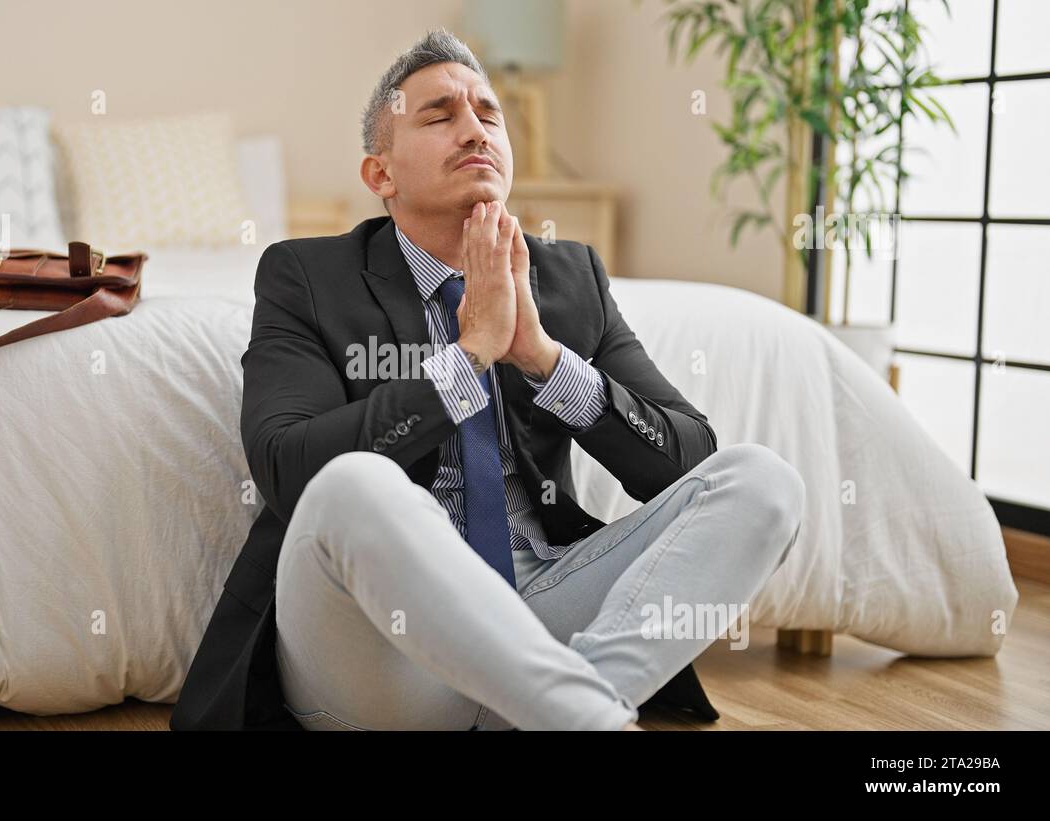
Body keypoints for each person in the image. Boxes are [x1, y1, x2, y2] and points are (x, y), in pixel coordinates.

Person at [170, 28, 805, 731]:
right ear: (381, 175)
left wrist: (544, 358)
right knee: (354, 484)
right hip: (384, 656)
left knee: (761, 479)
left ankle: (579, 711)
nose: (474, 129)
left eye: (488, 114)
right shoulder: (307, 276)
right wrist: (468, 357)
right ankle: (584, 717)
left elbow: (688, 461)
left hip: (545, 617)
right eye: (439, 115)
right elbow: (289, 468)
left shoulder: (571, 276)